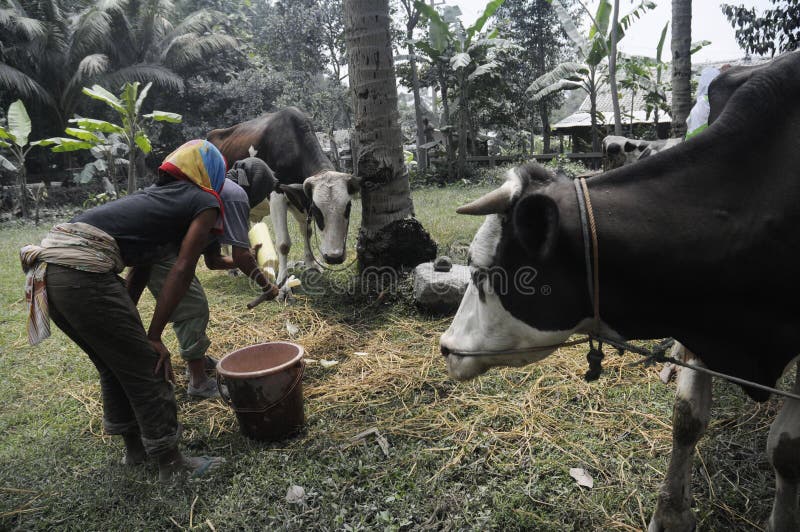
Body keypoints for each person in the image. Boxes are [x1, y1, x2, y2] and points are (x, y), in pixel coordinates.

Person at [20, 139, 230, 480]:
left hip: (52, 275)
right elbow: (182, 270)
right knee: (148, 365)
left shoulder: (157, 200)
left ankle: (135, 451)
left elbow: (141, 268)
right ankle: (171, 464)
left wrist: (130, 329)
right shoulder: (204, 200)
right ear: (212, 173)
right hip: (80, 271)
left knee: (116, 363)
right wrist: (152, 337)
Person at [139, 157, 280, 399]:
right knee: (192, 306)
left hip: (157, 243)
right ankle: (199, 381)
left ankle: (199, 360)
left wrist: (248, 261)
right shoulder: (235, 194)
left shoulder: (219, 191)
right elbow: (241, 255)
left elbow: (213, 261)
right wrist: (267, 285)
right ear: (257, 188)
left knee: (189, 304)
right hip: (159, 248)